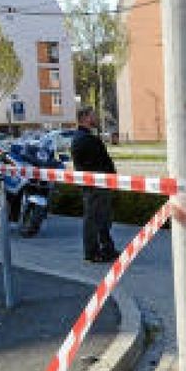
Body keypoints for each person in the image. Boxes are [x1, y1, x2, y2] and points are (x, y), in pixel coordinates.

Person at [71, 107, 117, 263]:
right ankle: (92, 253)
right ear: (84, 117)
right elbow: (99, 163)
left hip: (98, 185)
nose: (96, 117)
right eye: (93, 115)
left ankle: (107, 248)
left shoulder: (84, 137)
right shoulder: (85, 139)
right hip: (95, 186)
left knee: (103, 218)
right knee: (94, 219)